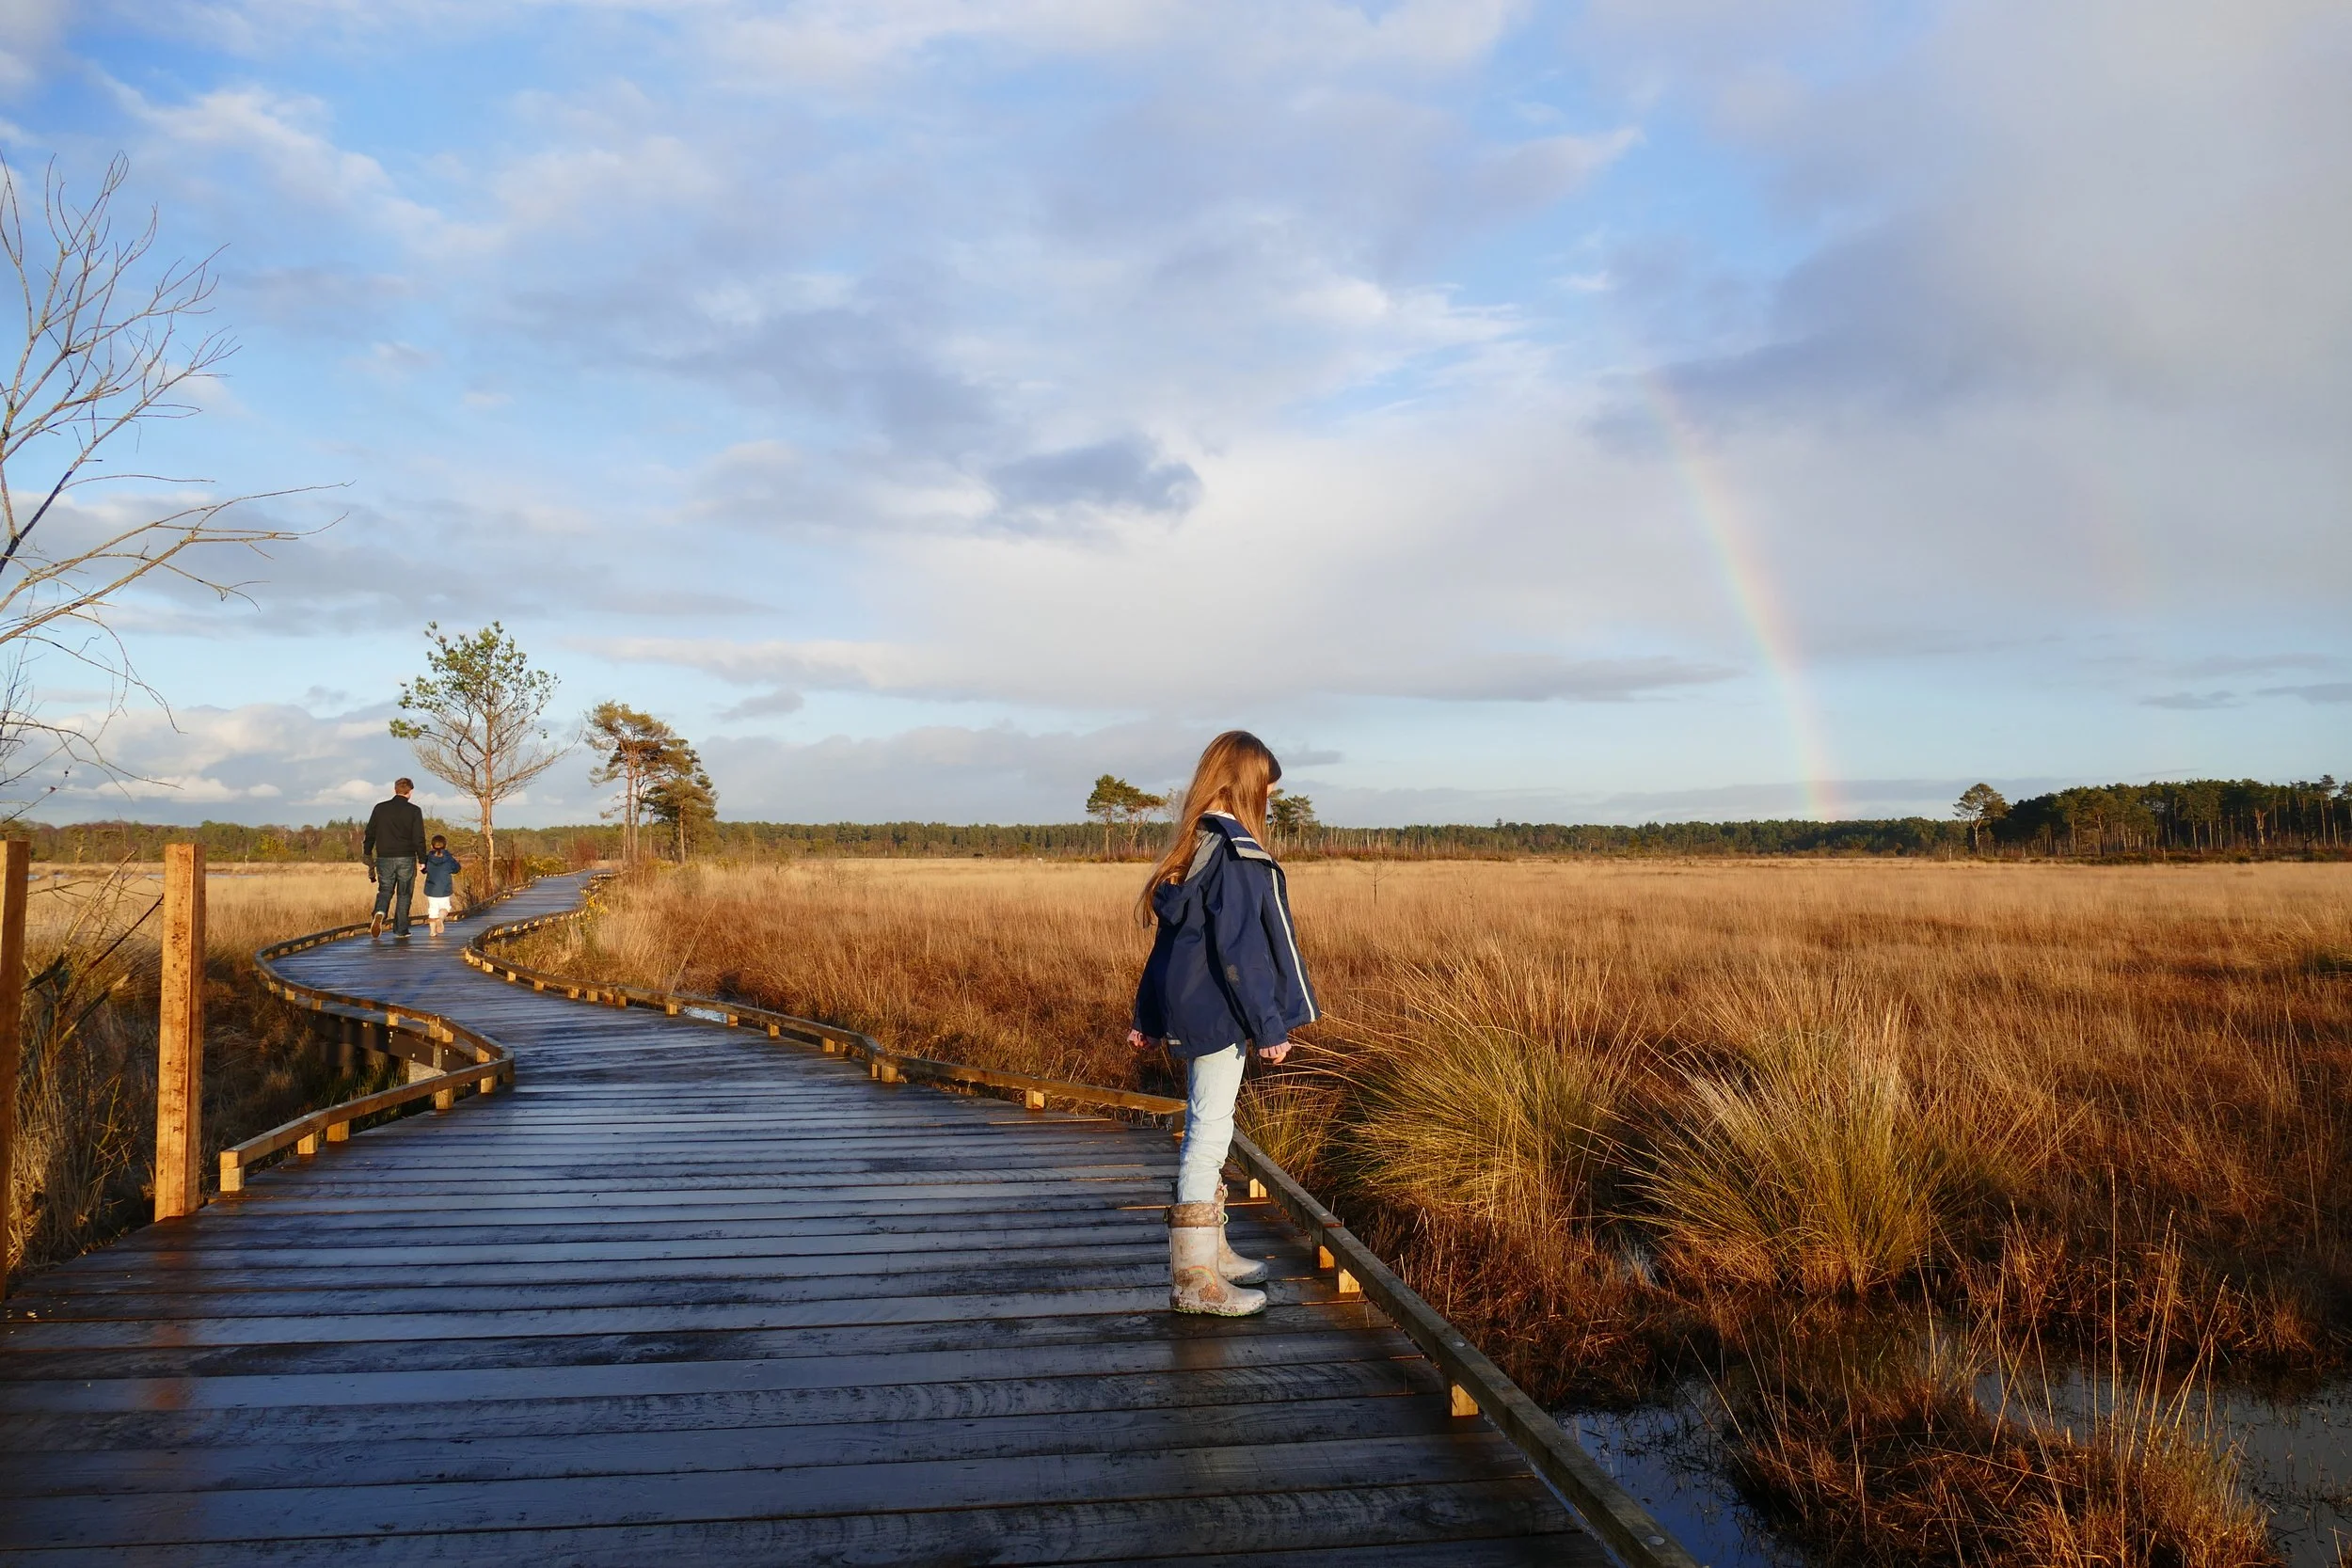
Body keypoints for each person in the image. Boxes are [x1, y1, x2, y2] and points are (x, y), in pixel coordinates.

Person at [1130, 731, 1320, 1316]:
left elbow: (1170, 951)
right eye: (1266, 788)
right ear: (1246, 786)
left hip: (1199, 1009)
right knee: (1209, 1134)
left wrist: (1149, 1018)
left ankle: (1212, 1249)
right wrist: (1270, 1027)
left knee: (1206, 1123)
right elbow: (1243, 953)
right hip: (1223, 1013)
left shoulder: (1199, 847)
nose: (1268, 801)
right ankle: (1194, 1279)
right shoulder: (1236, 856)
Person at [362, 778, 427, 941]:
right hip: (406, 857)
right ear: (410, 792)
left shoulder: (380, 808)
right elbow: (419, 837)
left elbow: (370, 832)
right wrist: (422, 859)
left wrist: (367, 852)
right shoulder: (414, 811)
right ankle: (401, 930)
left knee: (385, 889)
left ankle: (380, 912)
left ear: (394, 790)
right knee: (404, 894)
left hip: (384, 857)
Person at [421, 835, 464, 938]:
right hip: (444, 889)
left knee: (432, 910)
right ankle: (440, 919)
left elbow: (423, 870)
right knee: (445, 908)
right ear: (445, 845)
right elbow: (456, 869)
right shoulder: (449, 858)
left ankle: (432, 932)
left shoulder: (428, 858)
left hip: (431, 890)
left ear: (432, 846)